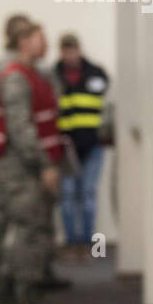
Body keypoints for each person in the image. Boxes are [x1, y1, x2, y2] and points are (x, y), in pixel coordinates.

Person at [0, 17, 71, 295]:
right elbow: (19, 123)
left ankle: (20, 274)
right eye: (40, 38)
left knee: (28, 216)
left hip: (21, 151)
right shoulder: (13, 73)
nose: (46, 44)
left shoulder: (36, 72)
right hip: (16, 156)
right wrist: (42, 161)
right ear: (22, 39)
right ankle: (13, 280)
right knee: (24, 217)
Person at [53, 33, 110, 261]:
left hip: (92, 145)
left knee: (87, 194)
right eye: (66, 50)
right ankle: (71, 243)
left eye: (73, 49)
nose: (70, 55)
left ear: (79, 49)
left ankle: (87, 243)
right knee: (67, 195)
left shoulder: (97, 74)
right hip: (65, 147)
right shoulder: (53, 77)